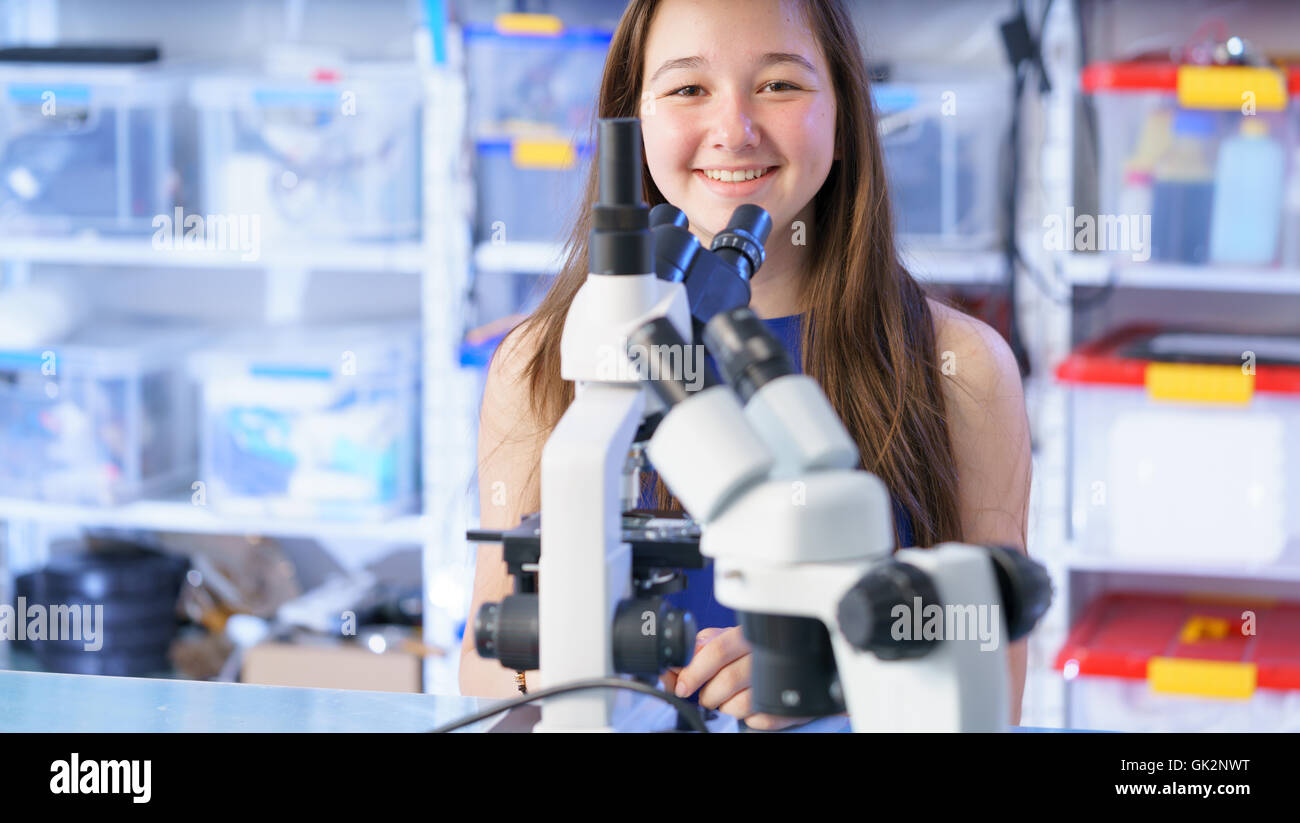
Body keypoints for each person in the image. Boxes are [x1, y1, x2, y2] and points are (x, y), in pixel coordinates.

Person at [460, 0, 1033, 730]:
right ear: (631, 122)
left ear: (845, 115)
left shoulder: (960, 367)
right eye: (687, 89)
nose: (733, 131)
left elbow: (996, 670)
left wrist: (832, 667)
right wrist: (567, 662)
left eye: (780, 86)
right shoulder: (541, 363)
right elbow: (479, 659)